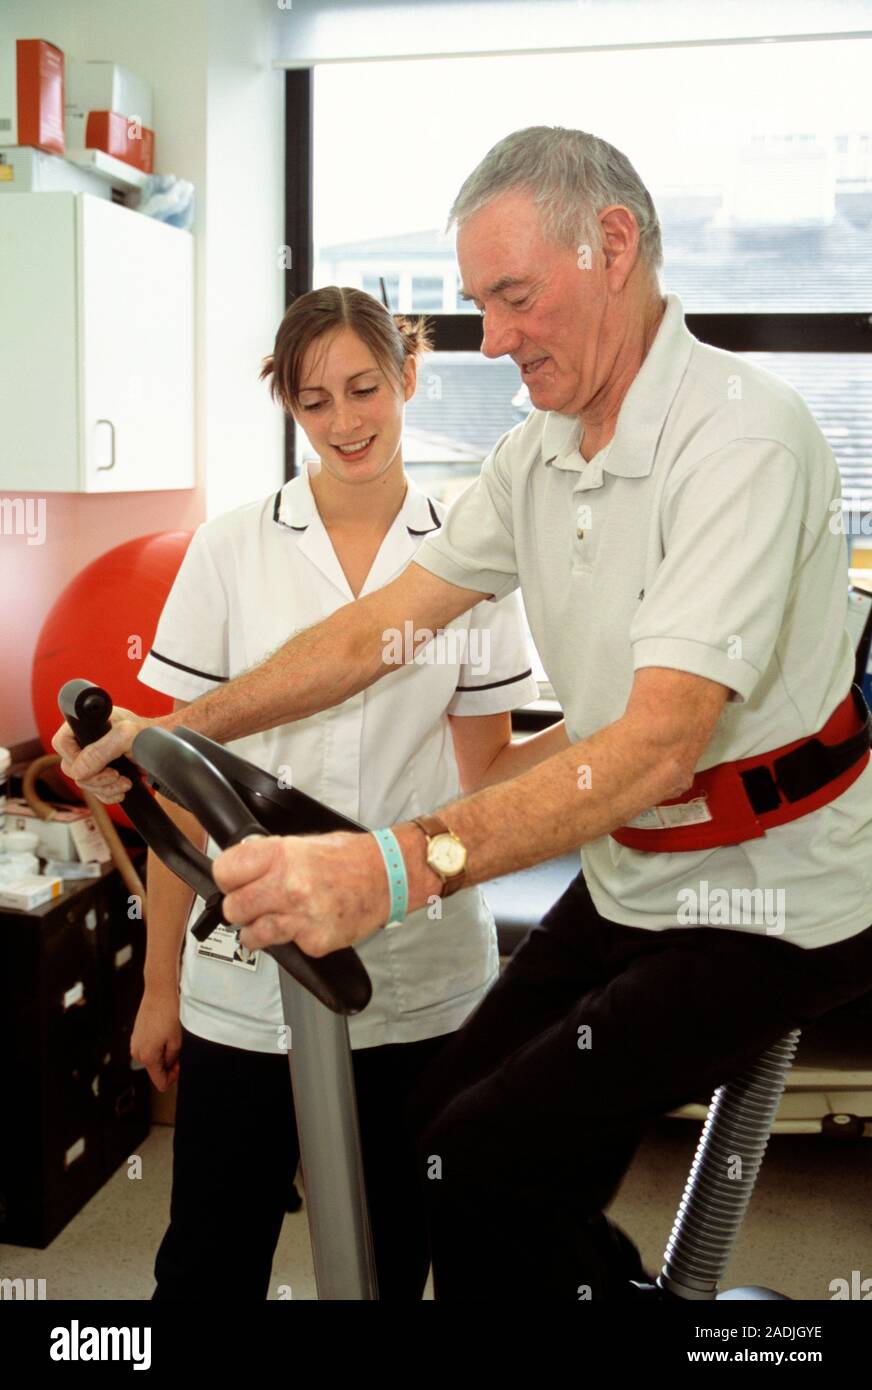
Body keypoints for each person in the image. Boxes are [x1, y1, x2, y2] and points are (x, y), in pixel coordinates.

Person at [56, 126, 872, 1302]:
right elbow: (368, 629)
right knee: (436, 1136)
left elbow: (654, 744)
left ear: (612, 245)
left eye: (513, 297)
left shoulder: (739, 440)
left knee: (489, 1167)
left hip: (771, 891)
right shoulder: (537, 454)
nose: (492, 338)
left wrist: (394, 865)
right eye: (477, 304)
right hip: (635, 867)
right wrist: (178, 730)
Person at [126, 285, 541, 1301]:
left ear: (407, 374)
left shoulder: (472, 554)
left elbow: (484, 777)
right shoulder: (231, 546)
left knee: (391, 1251)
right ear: (286, 404)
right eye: (314, 401)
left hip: (414, 969)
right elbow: (176, 787)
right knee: (209, 1256)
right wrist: (159, 983)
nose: (345, 421)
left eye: (364, 387)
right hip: (245, 976)